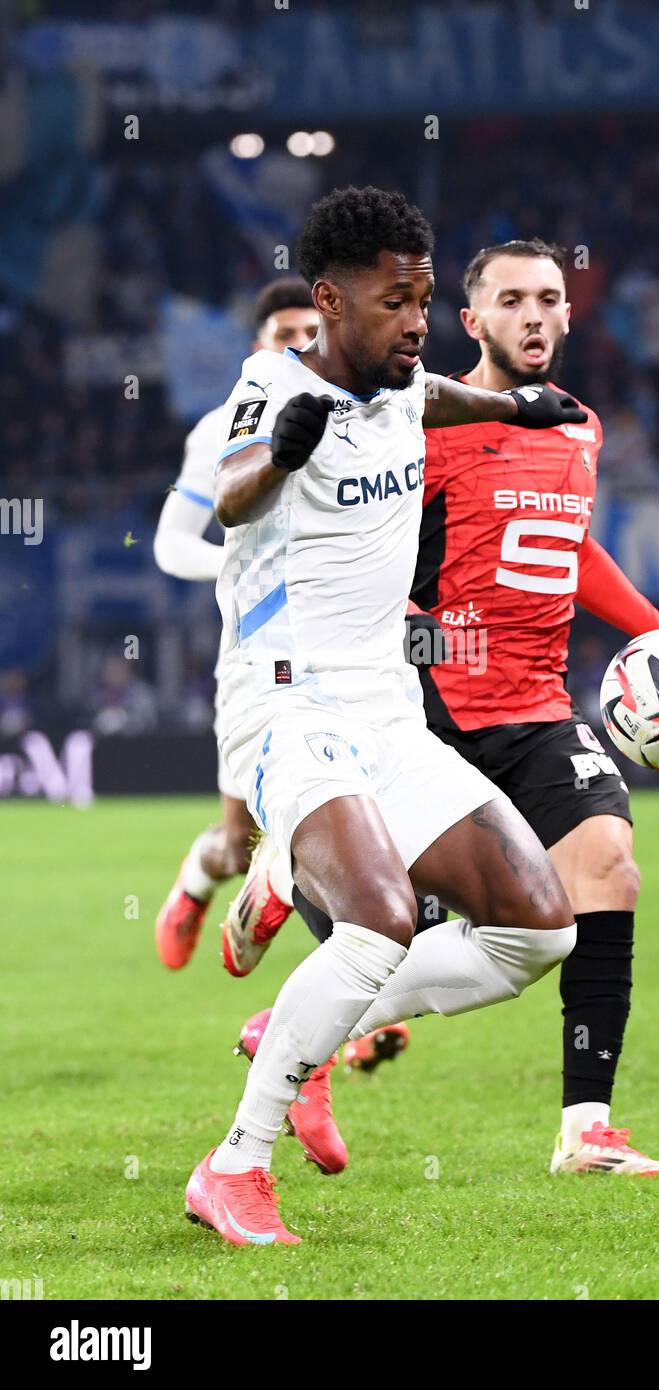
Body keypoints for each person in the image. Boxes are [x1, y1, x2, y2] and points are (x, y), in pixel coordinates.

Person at [228, 238, 659, 1180]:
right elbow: (340, 532)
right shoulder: (403, 416)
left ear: (568, 313)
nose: (533, 314)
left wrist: (658, 634)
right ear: (473, 322)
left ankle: (585, 1127)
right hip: (425, 702)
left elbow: (570, 548)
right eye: (510, 298)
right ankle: (289, 919)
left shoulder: (574, 427)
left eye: (550, 297)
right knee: (391, 919)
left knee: (604, 872)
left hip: (538, 709)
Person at [185, 186, 587, 1247]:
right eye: (394, 301)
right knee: (376, 919)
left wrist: (514, 409)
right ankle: (234, 1165)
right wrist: (282, 450)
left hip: (382, 712)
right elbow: (230, 490)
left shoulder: (402, 382)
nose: (416, 319)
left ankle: (299, 1003)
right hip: (281, 704)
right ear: (328, 300)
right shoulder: (274, 383)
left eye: (421, 297)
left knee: (537, 927)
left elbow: (435, 399)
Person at [153, 279, 319, 970]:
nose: (303, 347)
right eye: (287, 337)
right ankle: (201, 875)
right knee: (239, 841)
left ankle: (360, 994)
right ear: (260, 349)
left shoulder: (363, 420)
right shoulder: (222, 429)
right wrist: (240, 570)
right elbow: (170, 543)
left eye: (315, 333)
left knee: (340, 818)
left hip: (343, 656)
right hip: (253, 658)